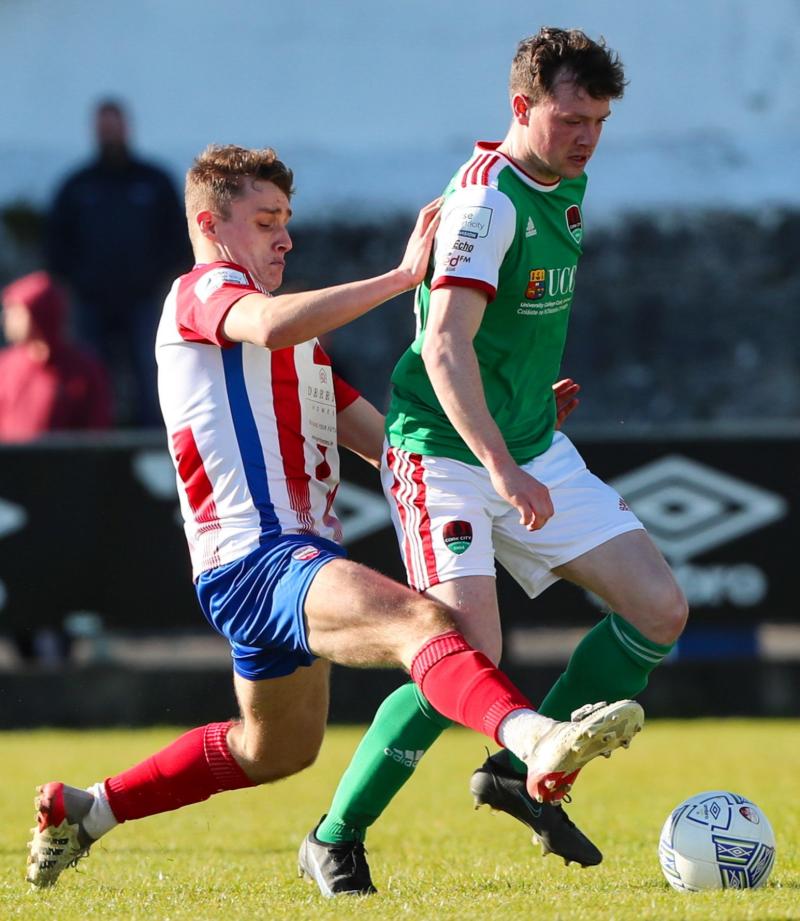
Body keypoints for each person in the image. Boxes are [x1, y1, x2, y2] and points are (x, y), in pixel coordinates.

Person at [26, 144, 644, 890]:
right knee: (426, 624)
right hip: (259, 558)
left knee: (274, 750)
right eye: (265, 220)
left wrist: (502, 435)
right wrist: (400, 278)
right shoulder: (203, 292)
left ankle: (88, 810)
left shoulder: (297, 344)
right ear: (209, 224)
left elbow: (391, 446)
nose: (285, 237)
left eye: (286, 219)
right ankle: (533, 739)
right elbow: (268, 323)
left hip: (282, 565)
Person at [302, 27, 688, 895]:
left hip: (525, 441)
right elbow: (443, 346)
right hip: (444, 450)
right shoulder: (487, 203)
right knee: (464, 646)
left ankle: (523, 770)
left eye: (598, 119)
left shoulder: (566, 182)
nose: (586, 135)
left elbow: (507, 331)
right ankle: (335, 833)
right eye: (569, 117)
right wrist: (499, 461)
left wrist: (524, 408)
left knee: (660, 607)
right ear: (522, 107)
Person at [46, 99, 189, 426]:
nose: (110, 134)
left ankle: (153, 440)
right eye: (103, 128)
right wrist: (80, 280)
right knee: (92, 374)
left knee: (150, 369)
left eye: (115, 126)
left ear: (127, 128)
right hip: (92, 302)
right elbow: (56, 243)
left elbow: (178, 238)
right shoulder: (78, 185)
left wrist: (156, 279)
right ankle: (95, 442)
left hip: (143, 300)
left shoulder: (154, 181)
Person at [0, 270, 112, 441]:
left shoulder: (83, 370)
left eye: (18, 312)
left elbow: (96, 437)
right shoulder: (5, 366)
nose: (8, 319)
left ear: (40, 315)